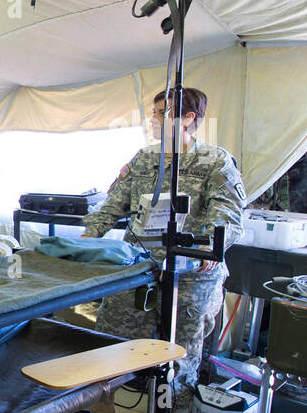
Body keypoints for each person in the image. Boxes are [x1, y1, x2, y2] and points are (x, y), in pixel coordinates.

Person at [83, 87, 246, 396]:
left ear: (187, 119)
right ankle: (102, 399)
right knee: (111, 336)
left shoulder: (215, 162)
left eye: (161, 113)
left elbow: (228, 213)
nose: (153, 119)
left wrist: (208, 247)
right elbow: (112, 204)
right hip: (140, 267)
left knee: (180, 353)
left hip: (190, 275)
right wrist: (87, 237)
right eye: (154, 112)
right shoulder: (144, 159)